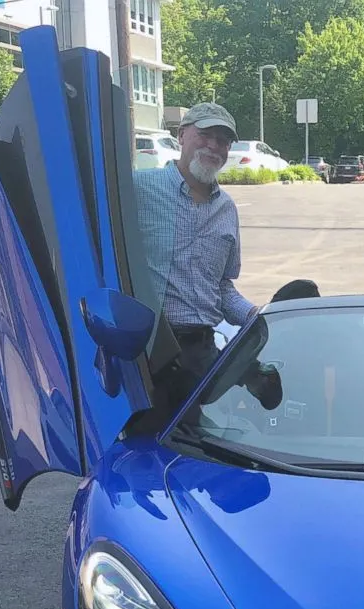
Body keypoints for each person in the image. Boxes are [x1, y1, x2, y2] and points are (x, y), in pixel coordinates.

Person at [133, 102, 260, 406]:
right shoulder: (137, 190)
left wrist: (258, 317)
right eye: (206, 135)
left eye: (223, 140)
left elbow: (222, 287)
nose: (214, 146)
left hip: (201, 354)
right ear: (181, 135)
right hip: (147, 353)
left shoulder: (227, 209)